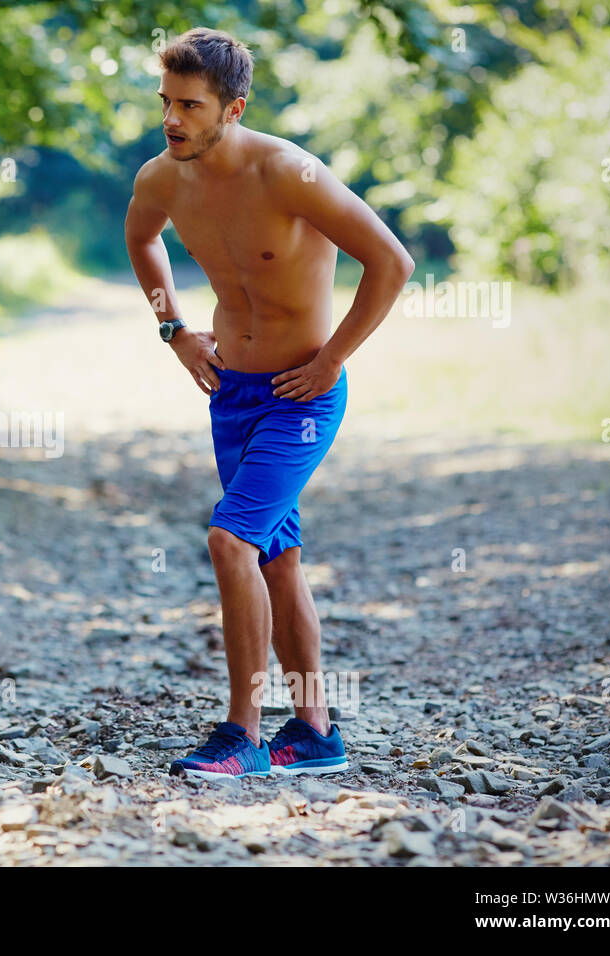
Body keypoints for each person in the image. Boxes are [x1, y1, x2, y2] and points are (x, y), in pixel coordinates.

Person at [124, 27, 415, 779]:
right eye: (165, 101)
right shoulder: (163, 178)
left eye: (190, 105)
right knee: (277, 561)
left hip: (301, 396)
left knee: (231, 542)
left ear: (234, 107)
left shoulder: (289, 173)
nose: (172, 119)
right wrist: (173, 330)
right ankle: (315, 733)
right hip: (231, 395)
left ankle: (242, 735)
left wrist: (333, 359)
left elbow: (391, 261)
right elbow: (143, 240)